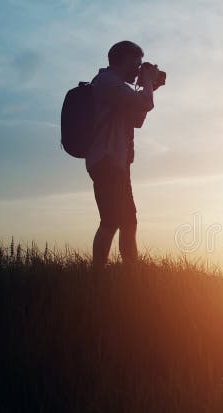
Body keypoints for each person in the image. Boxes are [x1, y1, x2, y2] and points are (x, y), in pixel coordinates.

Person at [87, 41, 160, 270]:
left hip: (115, 161)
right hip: (107, 160)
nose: (138, 69)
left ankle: (126, 270)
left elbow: (137, 119)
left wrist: (150, 87)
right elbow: (145, 104)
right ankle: (102, 273)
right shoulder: (107, 82)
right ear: (123, 60)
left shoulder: (116, 86)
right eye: (136, 63)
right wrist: (147, 83)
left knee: (126, 220)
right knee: (112, 221)